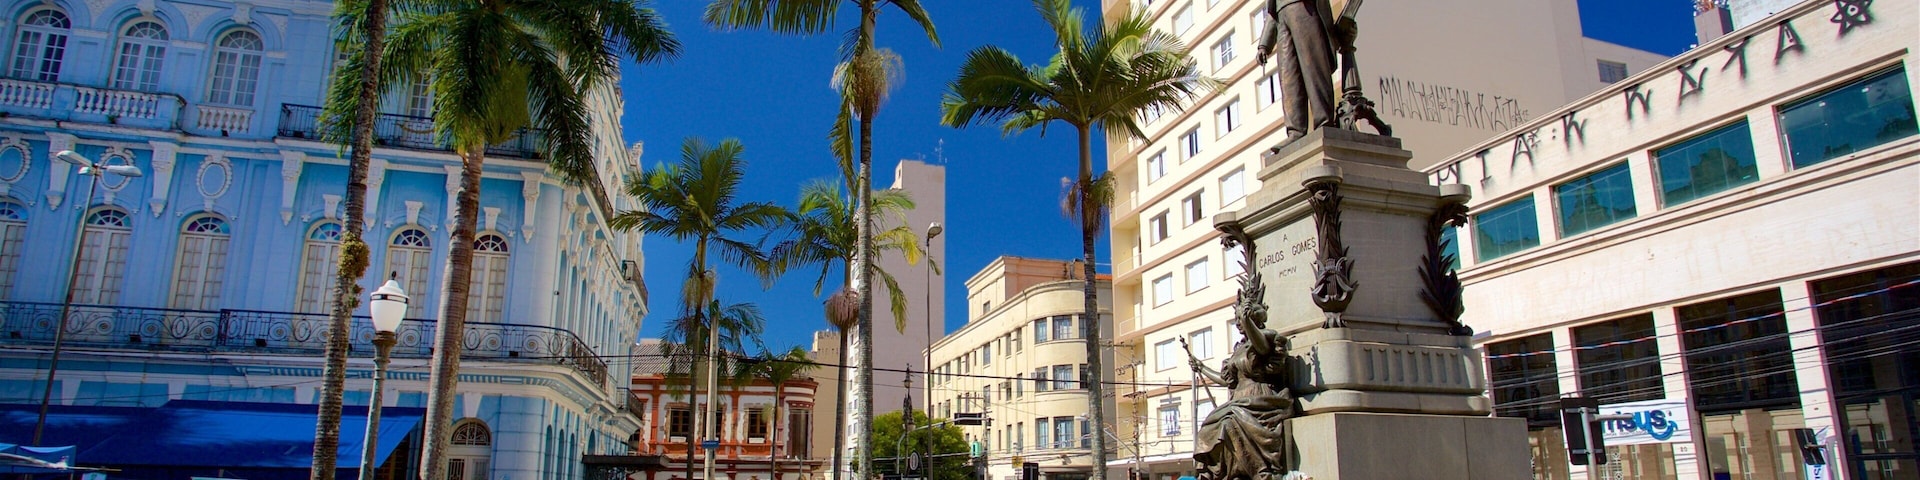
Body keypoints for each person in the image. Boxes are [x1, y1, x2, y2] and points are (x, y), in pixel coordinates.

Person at [1188, 271, 1293, 480]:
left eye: (1241, 319)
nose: (1238, 323)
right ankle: (1225, 471)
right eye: (1236, 320)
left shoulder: (1268, 338)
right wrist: (1201, 368)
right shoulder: (1239, 349)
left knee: (1228, 421)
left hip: (1260, 398)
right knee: (1211, 425)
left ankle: (1259, 470)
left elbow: (1262, 349)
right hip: (1239, 400)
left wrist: (1249, 325)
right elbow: (1227, 380)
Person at [1256, 0, 1339, 144]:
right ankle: (1295, 131)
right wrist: (1264, 44)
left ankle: (1324, 121)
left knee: (1313, 68)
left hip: (1304, 8)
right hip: (1282, 19)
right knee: (1288, 77)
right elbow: (1273, 13)